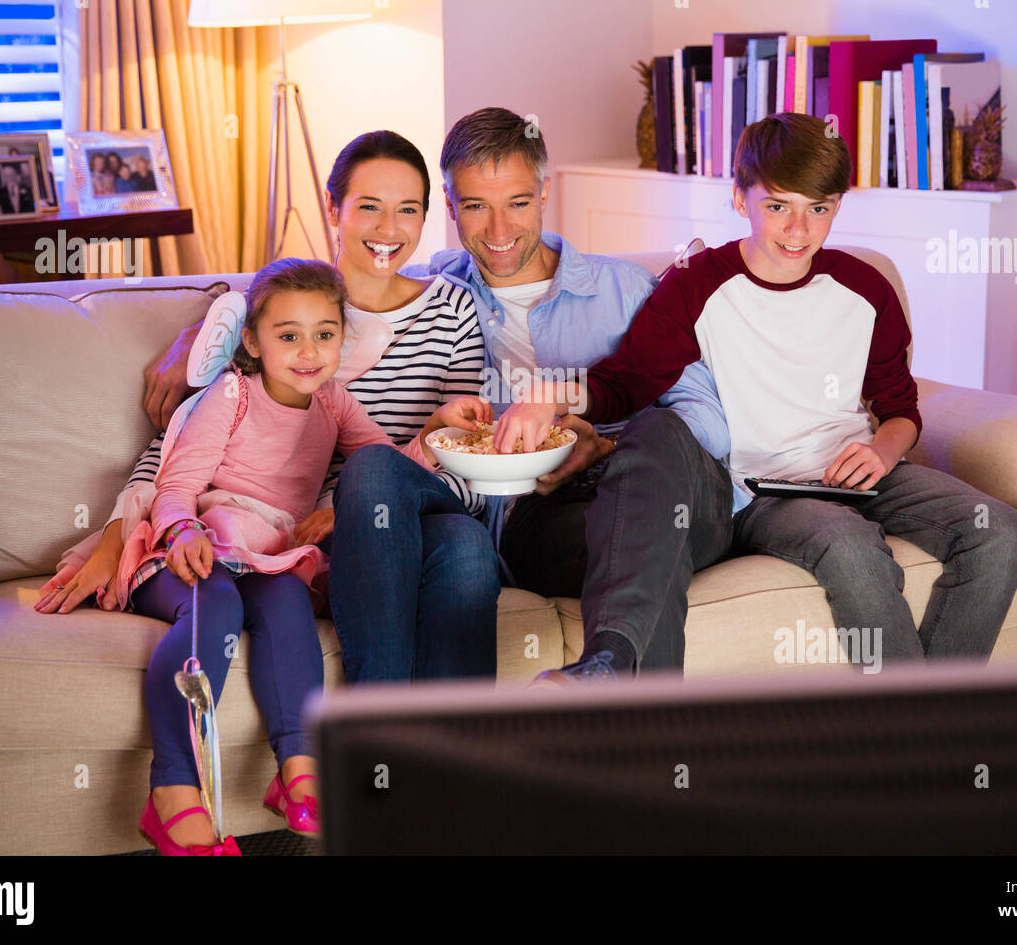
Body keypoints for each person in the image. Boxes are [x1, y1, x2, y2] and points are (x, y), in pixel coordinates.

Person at [497, 112, 1017, 680]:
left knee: (999, 531)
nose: (798, 230)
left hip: (864, 470)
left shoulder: (865, 288)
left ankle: (934, 724)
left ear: (837, 207)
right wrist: (551, 397)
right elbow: (627, 382)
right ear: (739, 197)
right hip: (761, 493)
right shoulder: (696, 284)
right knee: (847, 544)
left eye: (818, 208)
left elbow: (901, 410)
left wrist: (882, 451)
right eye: (778, 206)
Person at [46, 131, 500, 690]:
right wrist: (120, 532)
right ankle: (380, 741)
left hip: (415, 502)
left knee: (457, 536)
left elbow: (466, 452)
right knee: (436, 525)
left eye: (407, 210)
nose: (388, 230)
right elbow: (186, 443)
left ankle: (453, 762)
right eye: (368, 207)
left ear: (428, 219)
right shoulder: (278, 309)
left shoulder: (452, 308)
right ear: (333, 209)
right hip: (309, 533)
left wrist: (364, 499)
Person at [80, 257, 486, 854]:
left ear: (342, 340)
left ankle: (298, 772)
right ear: (252, 340)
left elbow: (385, 468)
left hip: (269, 557)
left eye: (324, 335)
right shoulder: (232, 395)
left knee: (290, 599)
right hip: (188, 549)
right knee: (212, 603)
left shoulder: (335, 404)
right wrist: (184, 529)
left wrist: (433, 429)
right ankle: (171, 789)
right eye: (288, 335)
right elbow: (175, 484)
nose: (308, 352)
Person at [401, 106, 728, 672]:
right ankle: (616, 680)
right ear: (450, 207)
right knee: (640, 548)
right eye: (476, 206)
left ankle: (606, 674)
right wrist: (226, 316)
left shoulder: (625, 289)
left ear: (546, 192)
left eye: (518, 204)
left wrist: (604, 448)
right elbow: (324, 299)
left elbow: (709, 424)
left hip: (673, 491)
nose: (499, 233)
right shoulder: (434, 300)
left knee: (656, 431)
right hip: (544, 516)